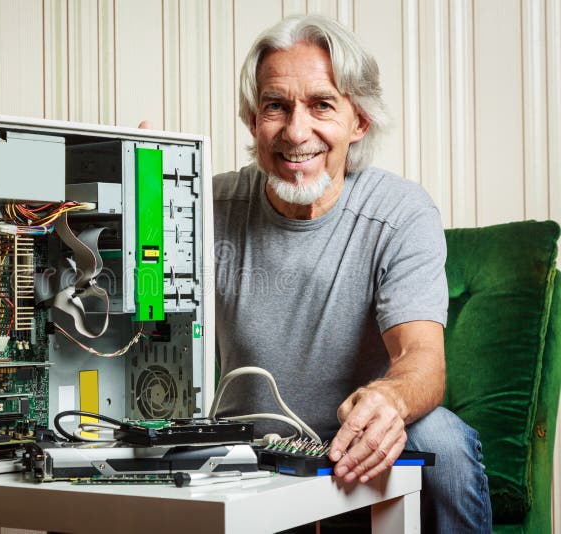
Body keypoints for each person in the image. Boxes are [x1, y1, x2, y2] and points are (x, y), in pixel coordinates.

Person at [209, 14, 491, 533]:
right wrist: (136, 188)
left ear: (358, 121)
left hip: (356, 455)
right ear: (253, 121)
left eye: (322, 105)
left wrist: (389, 397)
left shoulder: (401, 212)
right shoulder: (204, 207)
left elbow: (422, 360)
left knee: (443, 439)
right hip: (241, 456)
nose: (297, 132)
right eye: (276, 106)